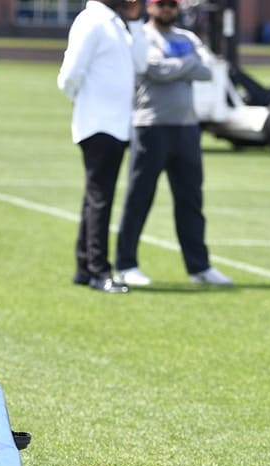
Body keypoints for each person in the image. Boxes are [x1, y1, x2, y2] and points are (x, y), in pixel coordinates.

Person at [114, 0, 232, 287]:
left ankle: (199, 268)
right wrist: (187, 65)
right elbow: (154, 69)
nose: (166, 8)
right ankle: (126, 264)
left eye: (171, 4)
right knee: (139, 198)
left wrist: (179, 67)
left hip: (187, 129)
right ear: (150, 6)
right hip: (151, 127)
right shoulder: (141, 35)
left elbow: (207, 71)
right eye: (160, 3)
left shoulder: (187, 37)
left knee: (191, 200)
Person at [56, 0, 147, 293]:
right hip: (98, 123)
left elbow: (141, 63)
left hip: (116, 124)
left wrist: (135, 21)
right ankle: (98, 270)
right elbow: (69, 75)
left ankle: (85, 267)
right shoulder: (91, 20)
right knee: (100, 198)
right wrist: (86, 103)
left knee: (95, 196)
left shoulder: (116, 22)